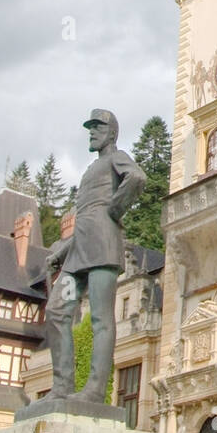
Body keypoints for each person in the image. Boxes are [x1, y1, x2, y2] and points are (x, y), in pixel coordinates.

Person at [44, 110, 147, 402]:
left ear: (111, 132)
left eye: (98, 127)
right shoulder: (91, 169)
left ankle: (94, 389)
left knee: (102, 318)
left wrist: (114, 210)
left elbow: (137, 178)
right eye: (90, 127)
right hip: (77, 252)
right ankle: (62, 386)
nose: (92, 132)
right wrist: (61, 250)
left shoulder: (117, 157)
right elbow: (83, 219)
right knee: (56, 310)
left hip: (103, 246)